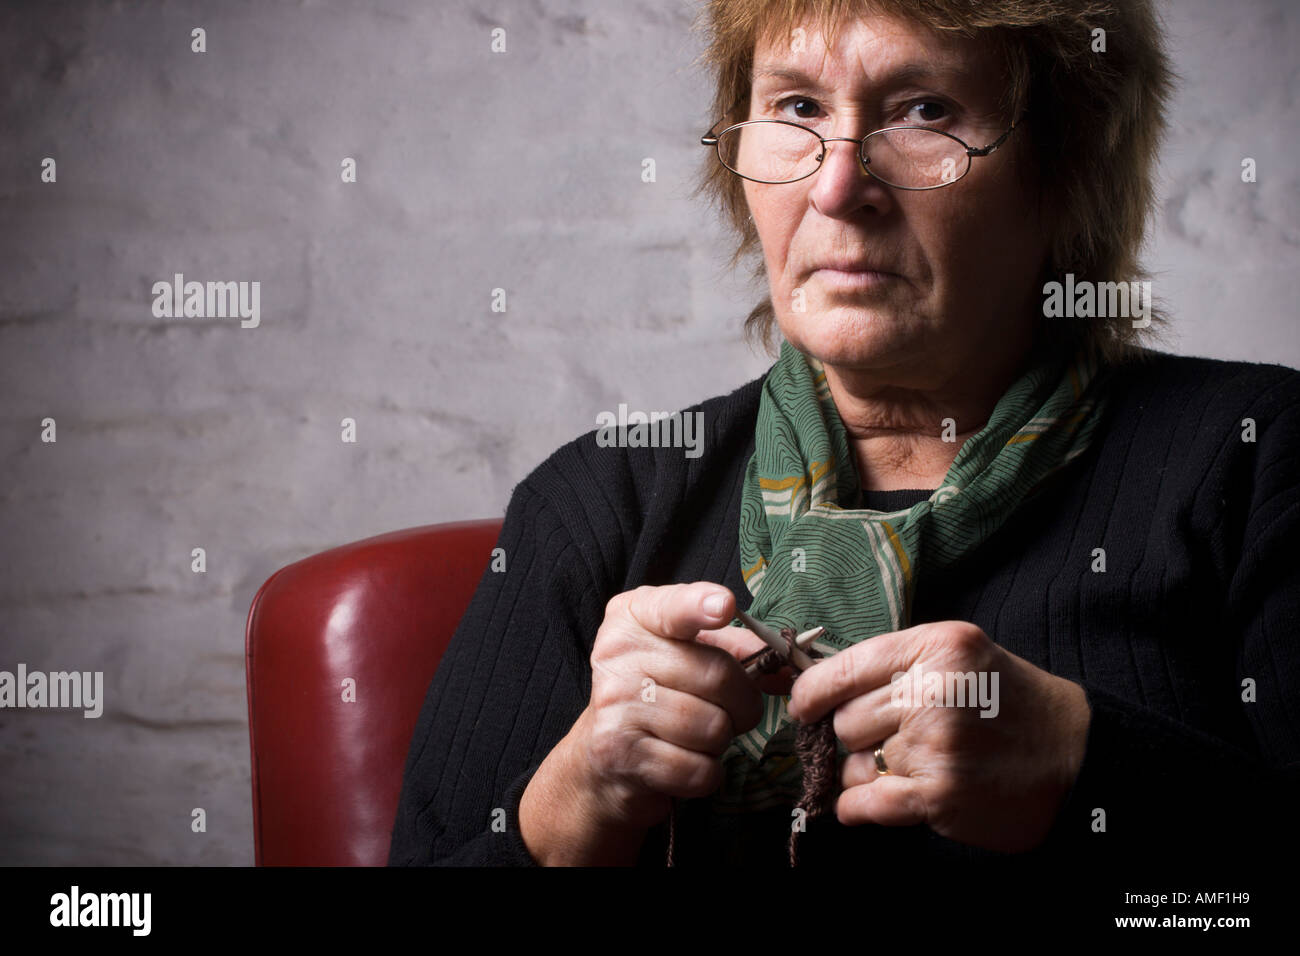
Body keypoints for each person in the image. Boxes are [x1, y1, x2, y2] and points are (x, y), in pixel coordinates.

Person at [389, 0, 1300, 876]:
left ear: (1067, 164)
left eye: (924, 111)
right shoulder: (596, 503)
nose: (836, 185)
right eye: (796, 107)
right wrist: (576, 799)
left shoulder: (1260, 459)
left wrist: (1091, 770)